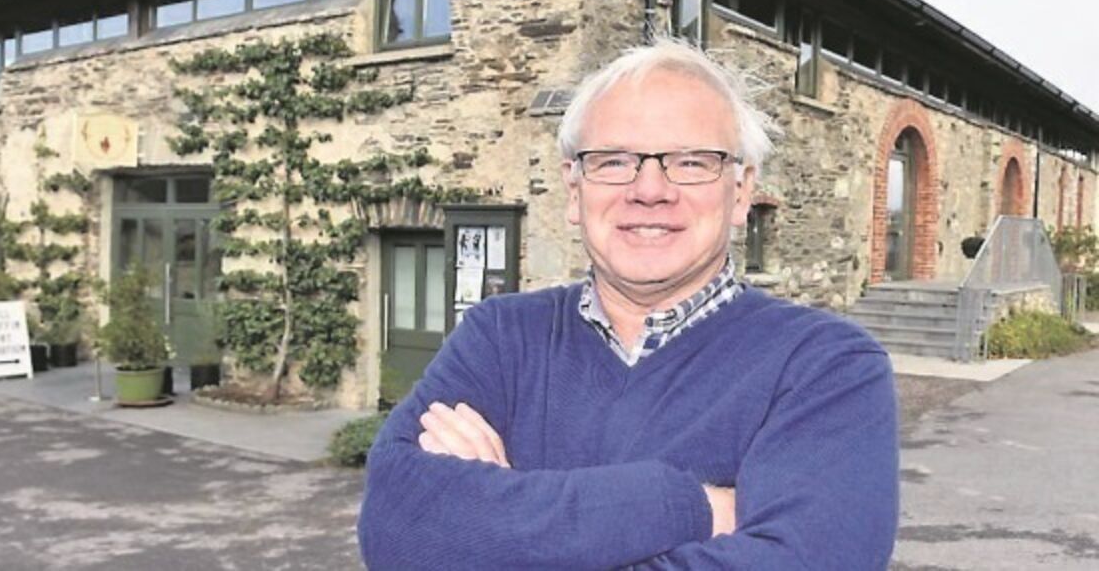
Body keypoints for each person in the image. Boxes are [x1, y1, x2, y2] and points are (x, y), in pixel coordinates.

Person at [358, 38, 898, 569]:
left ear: (741, 192)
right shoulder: (499, 337)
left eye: (692, 162)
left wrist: (497, 523)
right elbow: (395, 531)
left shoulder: (824, 366)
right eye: (614, 161)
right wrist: (688, 505)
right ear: (574, 190)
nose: (649, 189)